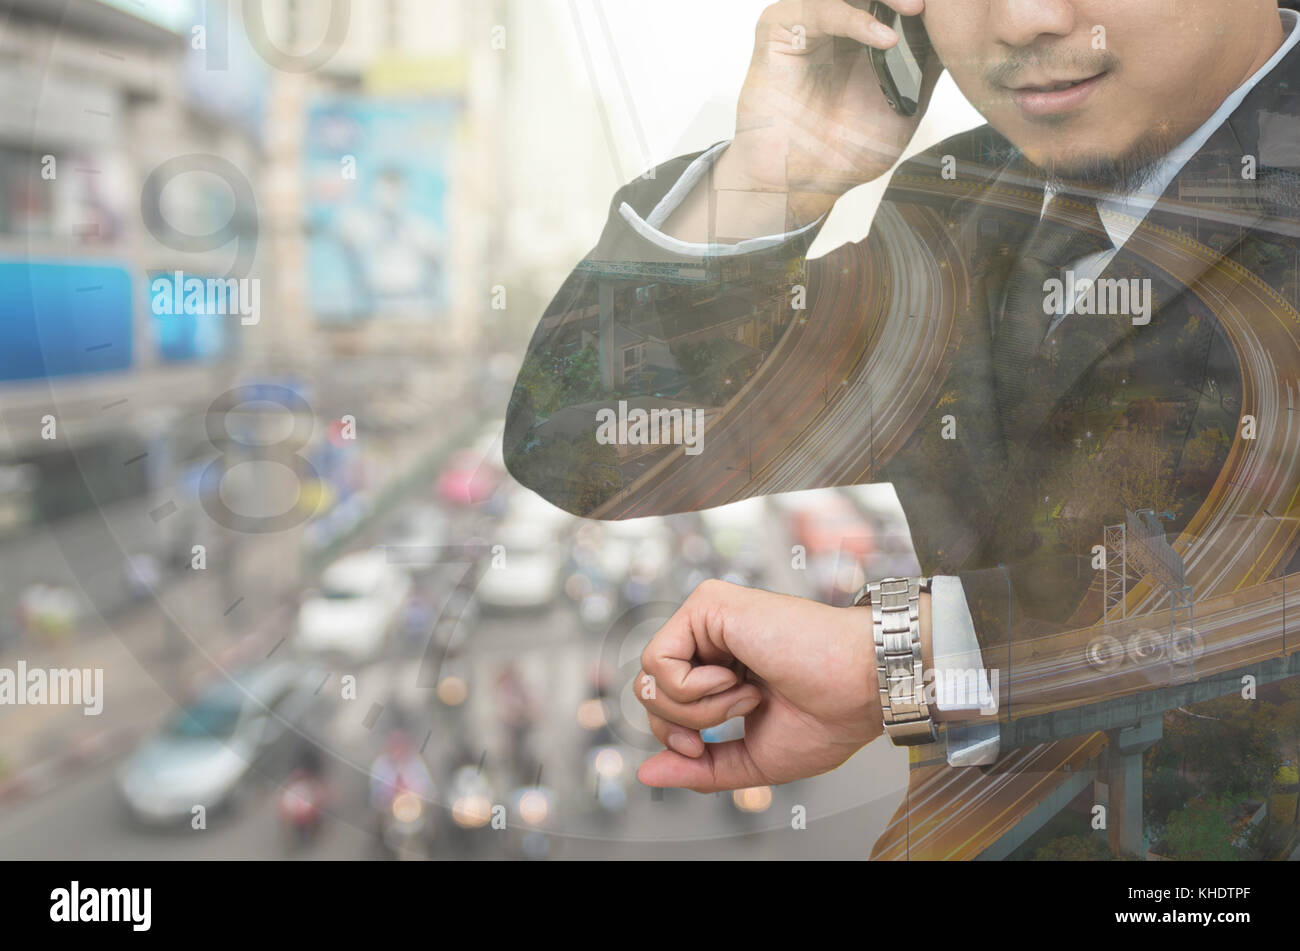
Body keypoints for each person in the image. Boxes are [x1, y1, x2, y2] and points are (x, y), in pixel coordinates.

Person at [504, 0, 1300, 810]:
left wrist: (909, 659)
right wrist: (772, 177)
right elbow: (590, 449)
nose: (1024, 19)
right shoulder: (960, 202)